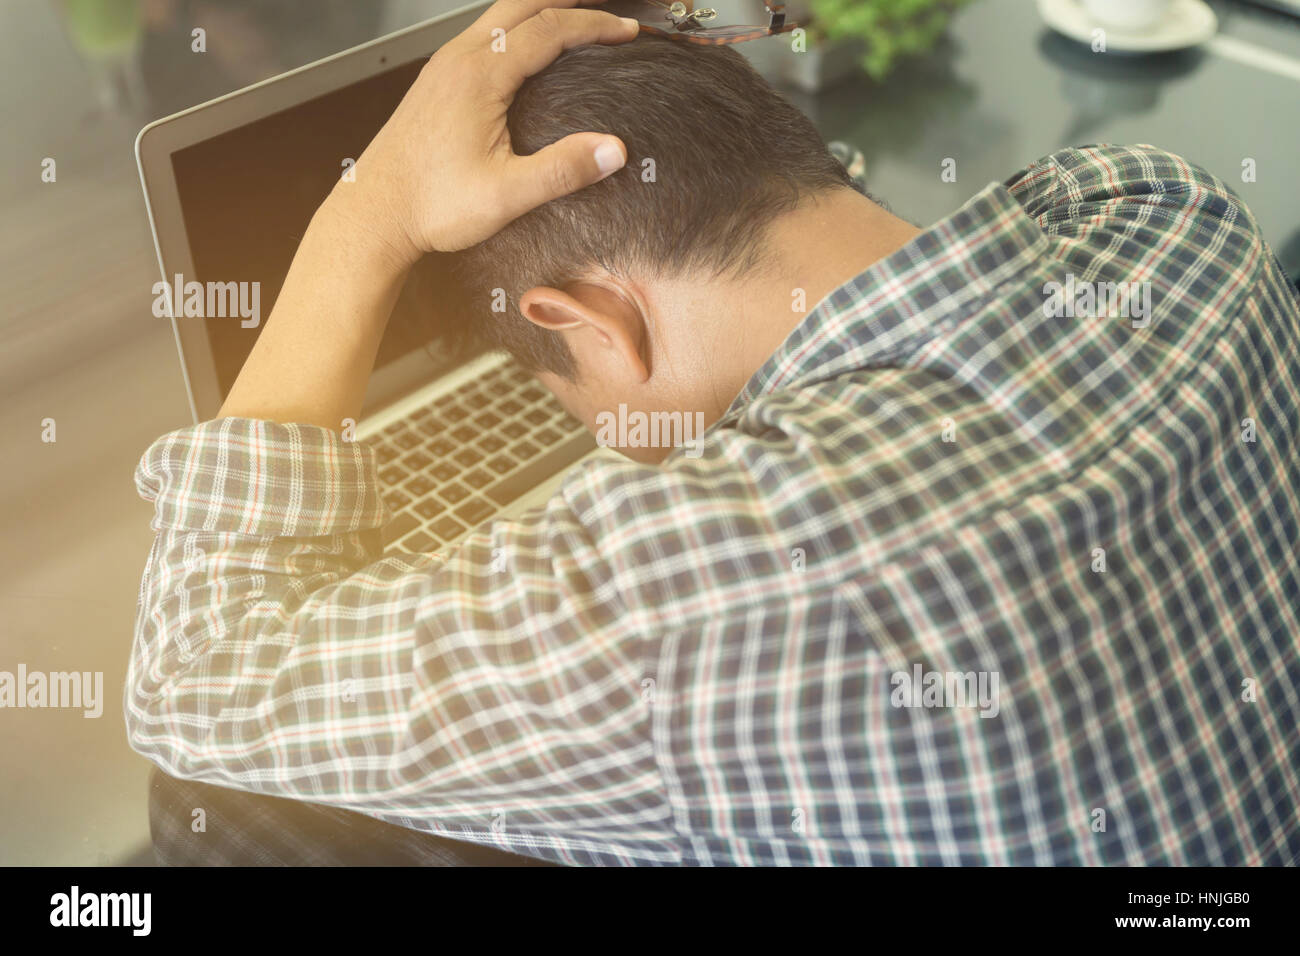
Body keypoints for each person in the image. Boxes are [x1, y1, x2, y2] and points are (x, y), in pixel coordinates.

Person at [129, 0, 1300, 865]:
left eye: (569, 400)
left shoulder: (691, 579)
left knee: (219, 808)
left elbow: (190, 677)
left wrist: (368, 215)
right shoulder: (1161, 211)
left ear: (585, 323)